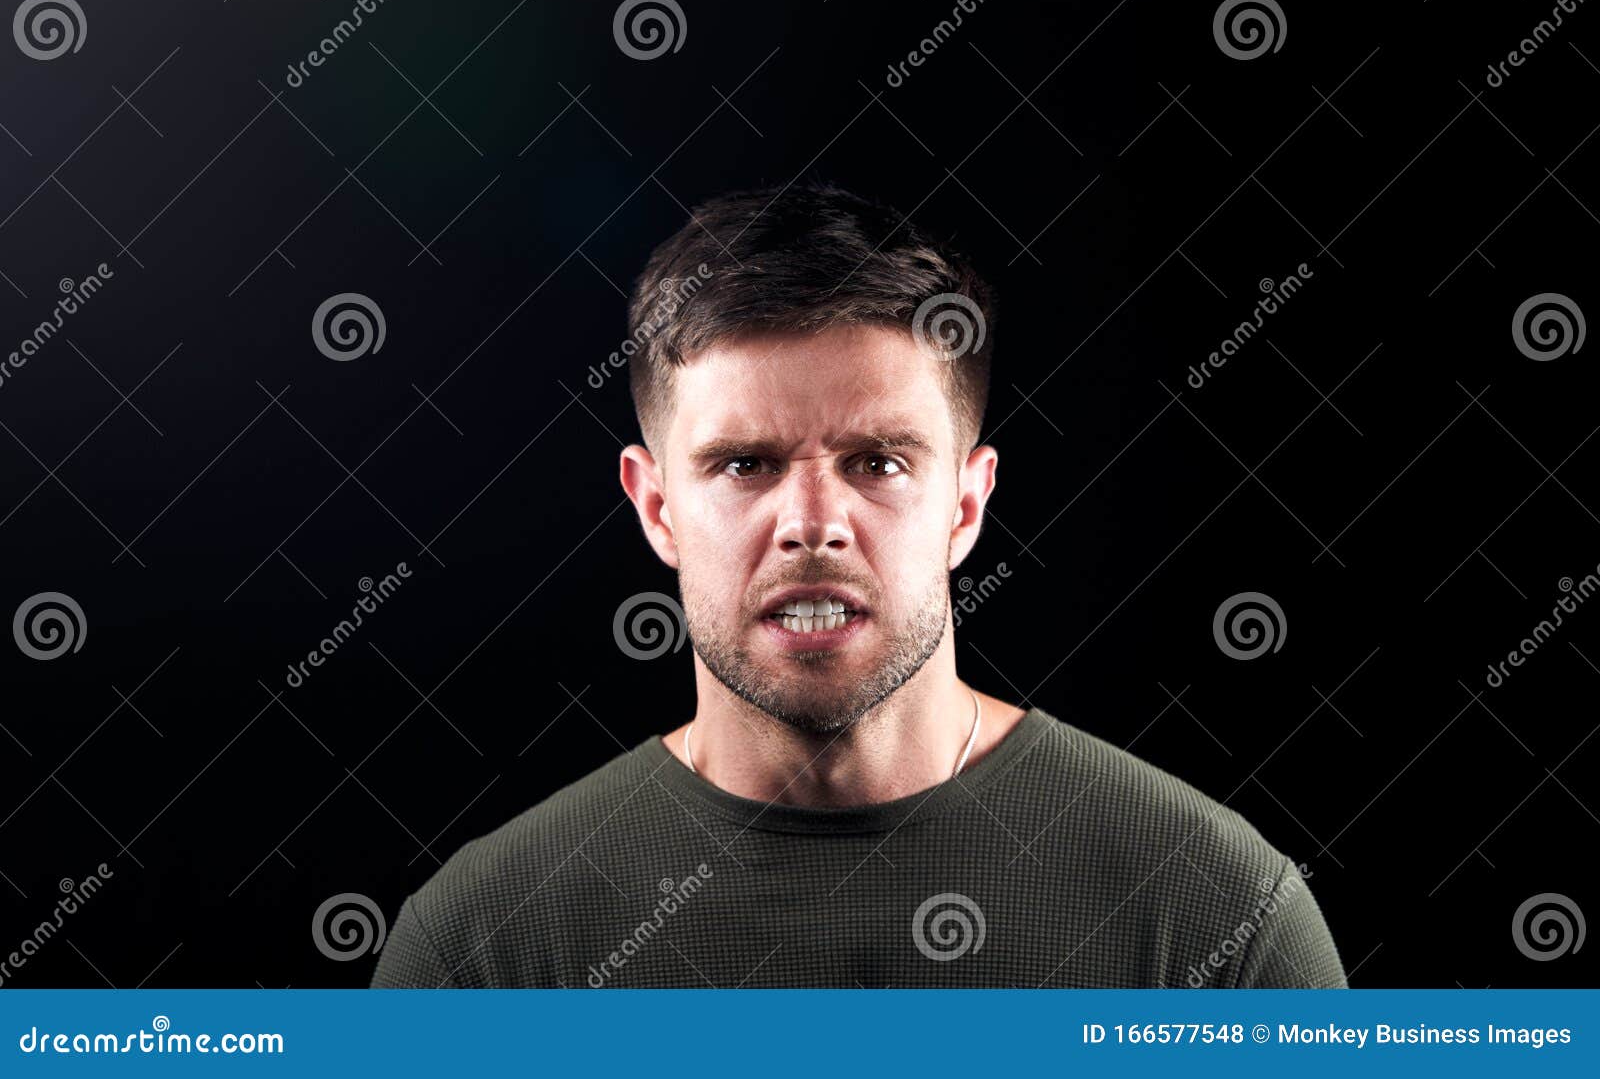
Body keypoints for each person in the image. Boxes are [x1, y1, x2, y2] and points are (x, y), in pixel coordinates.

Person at [371, 183, 1346, 988]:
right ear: (657, 507)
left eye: (878, 462)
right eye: (745, 463)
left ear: (966, 504)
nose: (813, 522)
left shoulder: (1216, 914)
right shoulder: (479, 950)